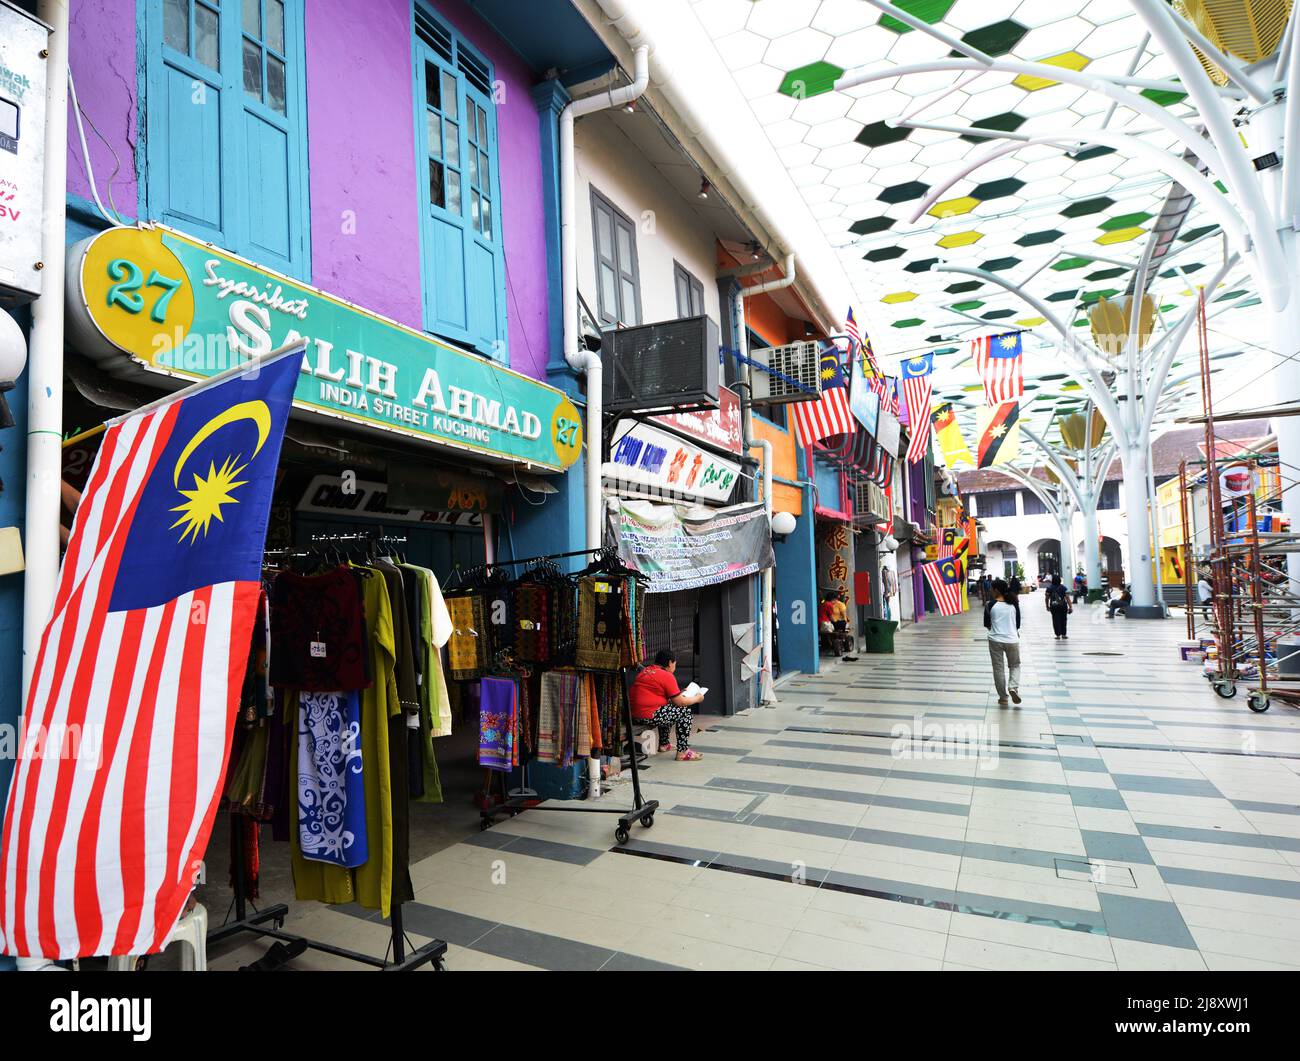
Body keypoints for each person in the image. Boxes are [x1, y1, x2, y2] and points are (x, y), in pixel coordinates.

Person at [630, 649, 705, 761]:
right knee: (685, 712)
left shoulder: (647, 670)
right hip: (648, 714)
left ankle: (664, 745)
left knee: (669, 708)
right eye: (675, 664)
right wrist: (697, 698)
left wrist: (680, 693)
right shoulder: (666, 675)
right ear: (670, 663)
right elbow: (680, 702)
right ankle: (682, 752)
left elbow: (662, 696)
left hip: (635, 714)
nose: (674, 667)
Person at [984, 579, 1021, 706]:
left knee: (998, 669)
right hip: (1012, 639)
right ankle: (1013, 687)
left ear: (996, 590)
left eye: (991, 589)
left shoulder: (990, 604)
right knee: (1015, 665)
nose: (990, 591)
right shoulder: (1014, 603)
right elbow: (1018, 623)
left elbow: (987, 624)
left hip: (995, 640)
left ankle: (1003, 697)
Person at [1045, 574, 1073, 639]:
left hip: (1054, 606)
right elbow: (1067, 598)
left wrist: (1047, 606)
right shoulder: (1063, 588)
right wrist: (1070, 607)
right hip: (1063, 606)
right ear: (1060, 580)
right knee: (1063, 620)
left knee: (1055, 620)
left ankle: (1057, 635)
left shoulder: (1049, 588)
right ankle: (1064, 634)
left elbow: (1047, 598)